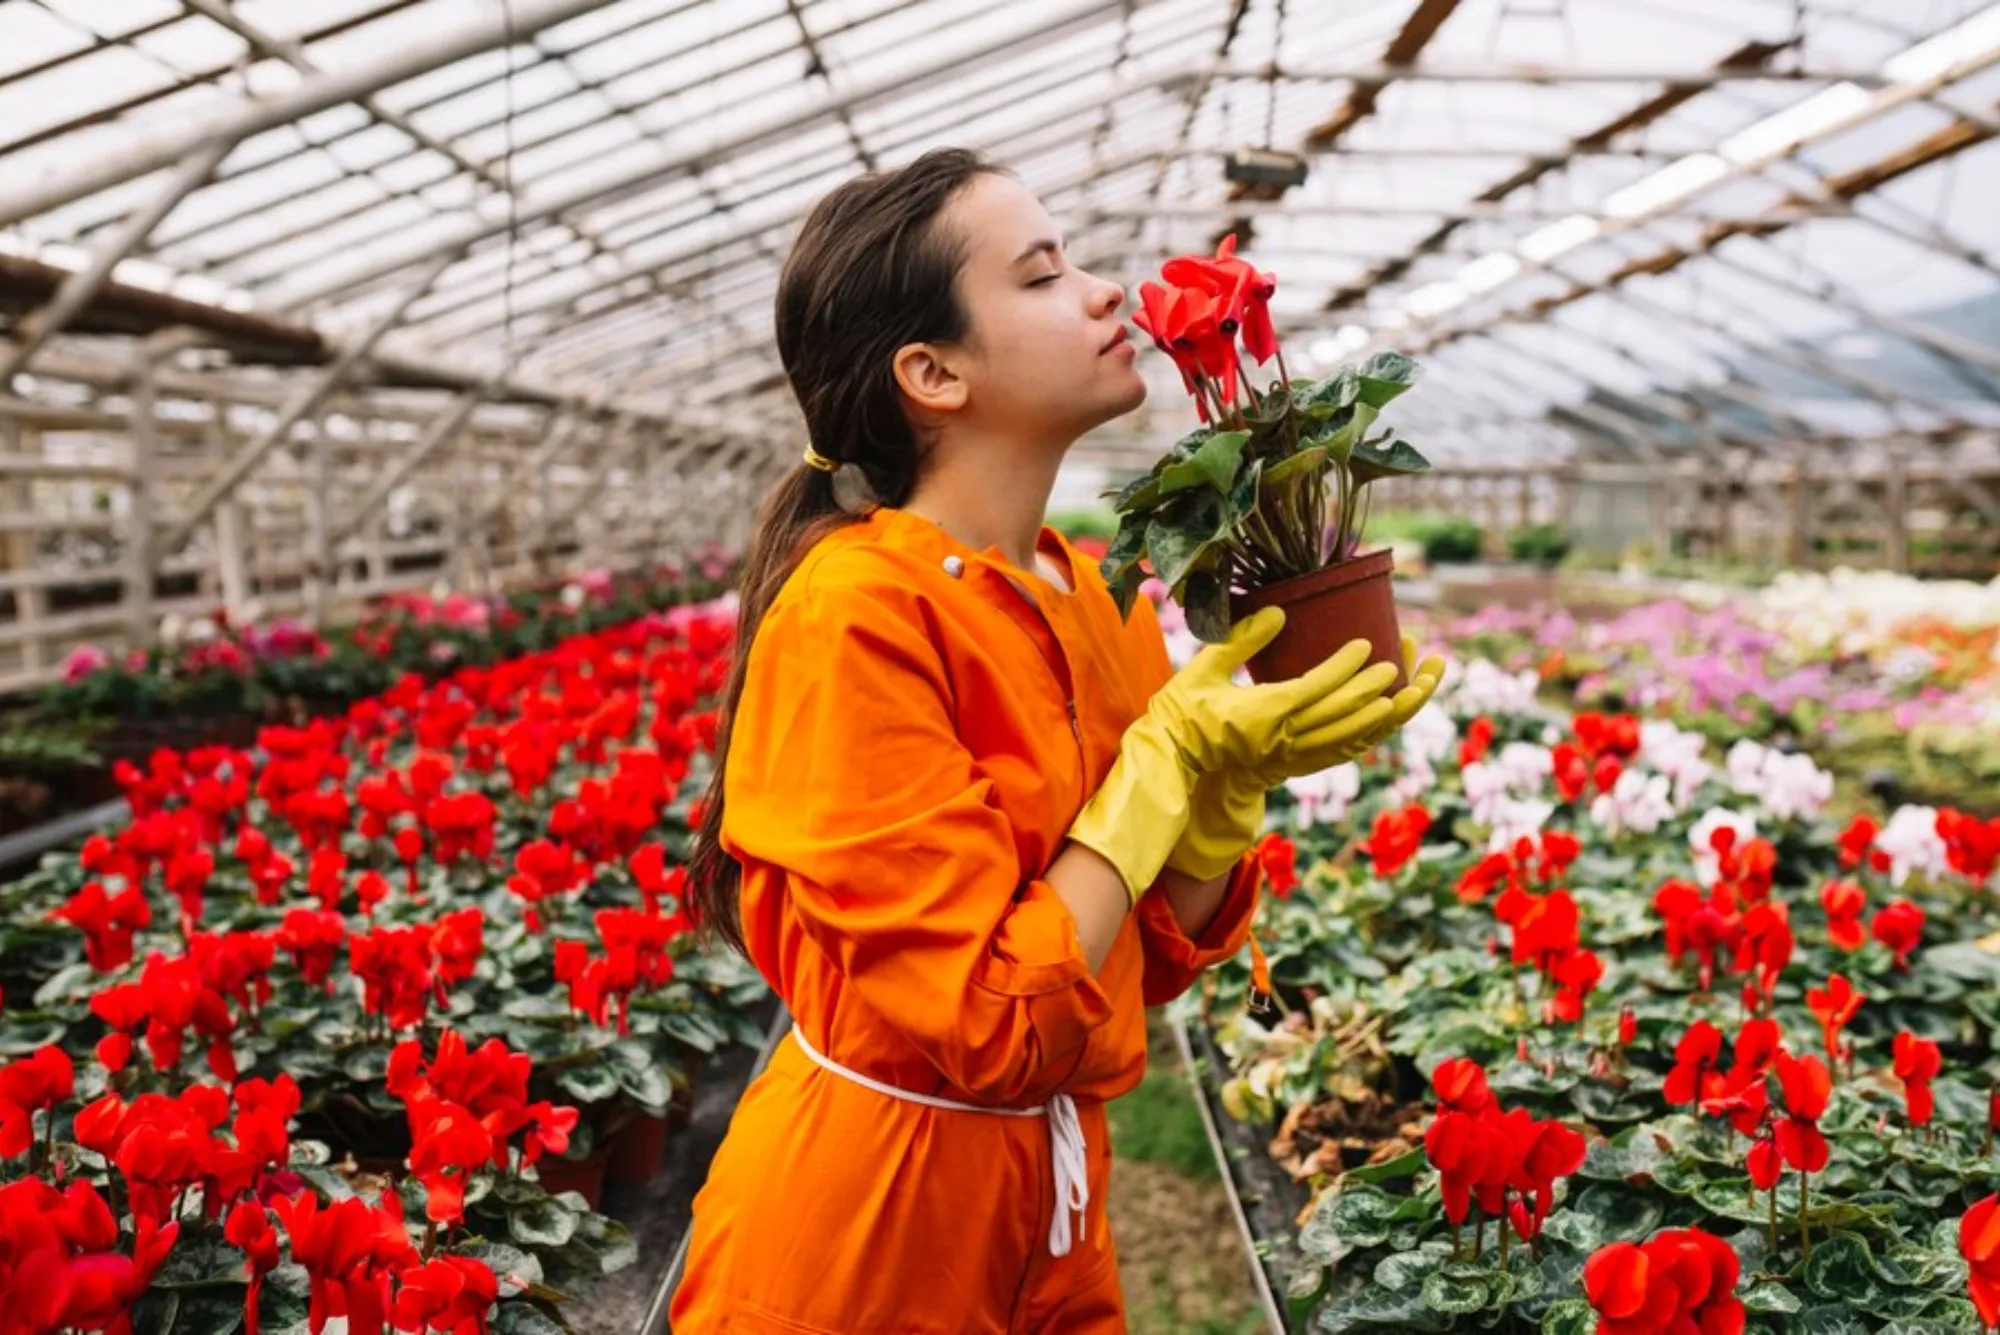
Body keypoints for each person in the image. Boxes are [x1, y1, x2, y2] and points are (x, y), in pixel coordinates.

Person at [670, 147, 1443, 1333]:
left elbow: (1131, 958)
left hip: (1054, 1205)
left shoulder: (1091, 591)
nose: (1101, 292)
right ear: (930, 372)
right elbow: (986, 1020)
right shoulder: (853, 617)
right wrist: (1159, 769)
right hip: (868, 1233)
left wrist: (1216, 798)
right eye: (1039, 277)